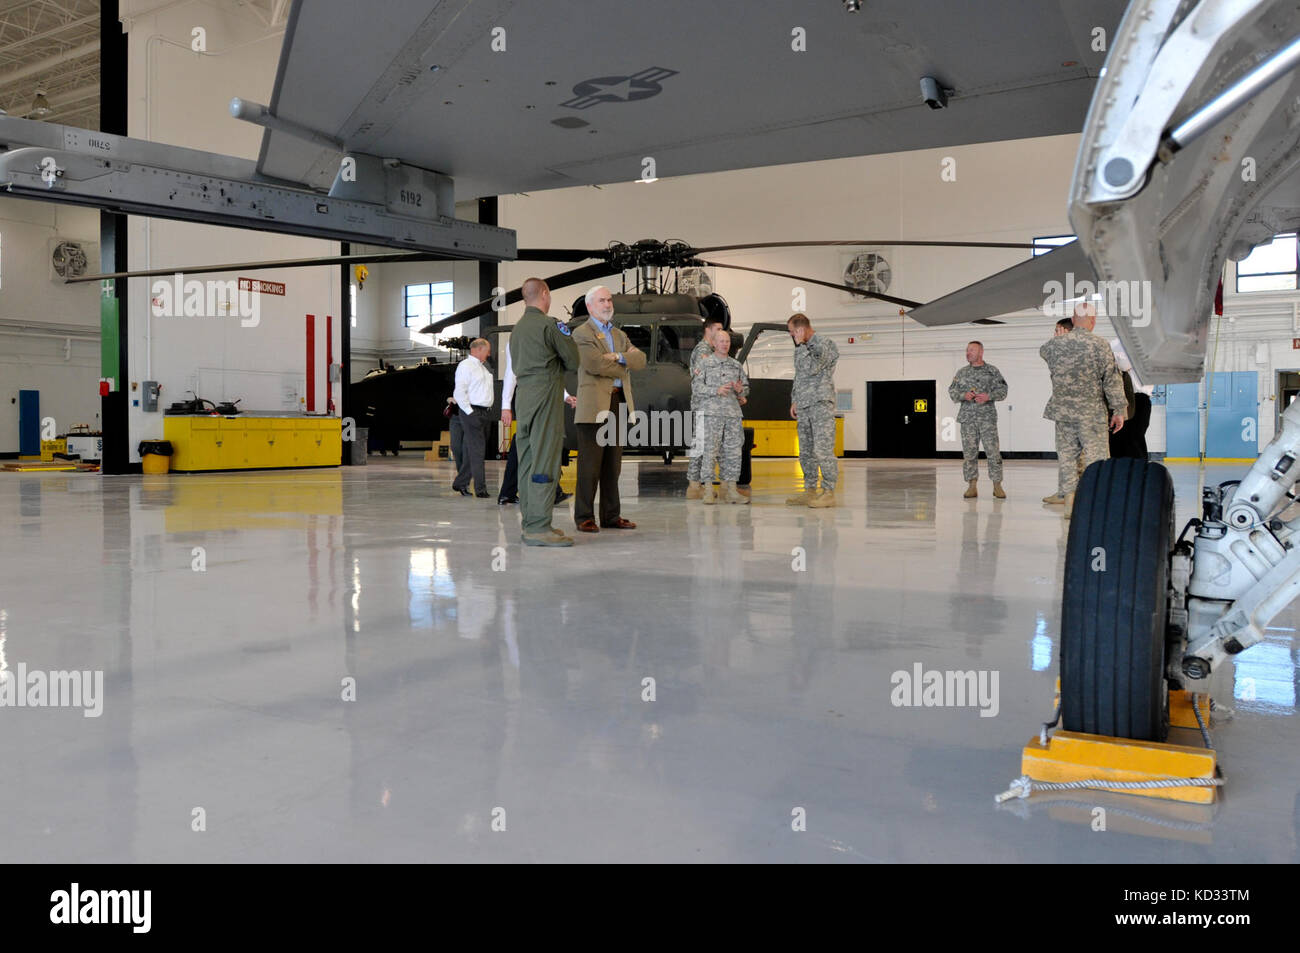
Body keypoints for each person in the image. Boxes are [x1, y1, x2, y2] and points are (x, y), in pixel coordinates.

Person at [509, 278, 580, 546]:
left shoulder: (517, 329)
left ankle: (531, 522)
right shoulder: (550, 326)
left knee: (527, 460)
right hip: (545, 397)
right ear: (545, 294)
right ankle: (539, 528)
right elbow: (573, 360)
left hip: (524, 398)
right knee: (545, 458)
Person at [1039, 302, 1127, 518]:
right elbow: (1112, 380)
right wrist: (1119, 409)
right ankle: (1097, 502)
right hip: (1091, 413)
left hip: (1063, 412)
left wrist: (1058, 339)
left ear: (1072, 318)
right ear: (1093, 320)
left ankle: (1069, 502)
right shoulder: (1099, 344)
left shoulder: (1054, 345)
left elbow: (1044, 352)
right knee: (1096, 458)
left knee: (1067, 457)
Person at [572, 285, 646, 533]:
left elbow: (641, 360)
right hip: (593, 406)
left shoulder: (619, 334)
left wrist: (616, 357)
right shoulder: (582, 333)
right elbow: (593, 364)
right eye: (602, 301)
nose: (607, 304)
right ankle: (584, 516)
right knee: (590, 466)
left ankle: (611, 516)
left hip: (618, 403)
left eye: (609, 300)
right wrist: (622, 360)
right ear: (590, 306)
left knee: (613, 466)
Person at [498, 342, 574, 505]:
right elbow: (511, 374)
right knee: (531, 446)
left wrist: (565, 396)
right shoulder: (518, 340)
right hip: (531, 402)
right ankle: (512, 493)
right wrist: (505, 406)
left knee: (538, 446)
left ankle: (512, 493)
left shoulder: (545, 343)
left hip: (546, 401)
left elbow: (551, 376)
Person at [785, 313, 839, 508]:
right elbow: (799, 376)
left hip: (820, 403)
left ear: (801, 328)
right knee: (806, 451)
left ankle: (829, 492)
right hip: (804, 405)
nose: (792, 336)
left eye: (793, 332)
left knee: (823, 450)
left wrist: (803, 344)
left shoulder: (825, 344)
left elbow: (815, 365)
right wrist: (795, 400)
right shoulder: (799, 349)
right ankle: (809, 490)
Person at [694, 327, 750, 504]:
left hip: (732, 416)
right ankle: (708, 490)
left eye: (727, 341)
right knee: (709, 452)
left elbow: (746, 388)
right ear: (714, 344)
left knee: (733, 452)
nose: (725, 344)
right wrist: (716, 390)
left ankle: (731, 490)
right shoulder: (704, 364)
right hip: (711, 415)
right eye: (721, 341)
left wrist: (742, 390)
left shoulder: (736, 365)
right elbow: (696, 388)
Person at [947, 341, 1008, 499]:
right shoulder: (961, 373)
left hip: (987, 419)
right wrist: (963, 396)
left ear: (981, 352)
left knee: (993, 453)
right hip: (968, 419)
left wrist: (989, 396)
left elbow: (1003, 390)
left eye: (971, 350)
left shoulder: (992, 371)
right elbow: (952, 391)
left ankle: (997, 485)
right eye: (967, 350)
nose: (968, 353)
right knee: (969, 454)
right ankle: (972, 485)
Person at [685, 316, 724, 499]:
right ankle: (693, 486)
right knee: (699, 445)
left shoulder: (708, 349)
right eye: (718, 329)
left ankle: (694, 486)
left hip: (708, 404)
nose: (721, 333)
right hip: (703, 404)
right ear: (708, 330)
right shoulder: (703, 350)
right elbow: (706, 378)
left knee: (700, 445)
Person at [449, 338, 494, 498]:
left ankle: (460, 483)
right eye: (487, 351)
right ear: (479, 349)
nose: (489, 354)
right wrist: (470, 412)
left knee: (472, 451)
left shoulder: (482, 368)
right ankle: (480, 489)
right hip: (472, 411)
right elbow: (459, 392)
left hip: (484, 412)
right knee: (477, 452)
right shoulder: (466, 366)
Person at [1042, 318, 1078, 504]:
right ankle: (1065, 493)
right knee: (1065, 453)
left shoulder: (1083, 348)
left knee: (1081, 455)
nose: (1054, 334)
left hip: (1081, 411)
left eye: (1057, 331)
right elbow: (1044, 352)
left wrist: (1062, 341)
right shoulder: (1056, 351)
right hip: (1063, 410)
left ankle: (1079, 495)